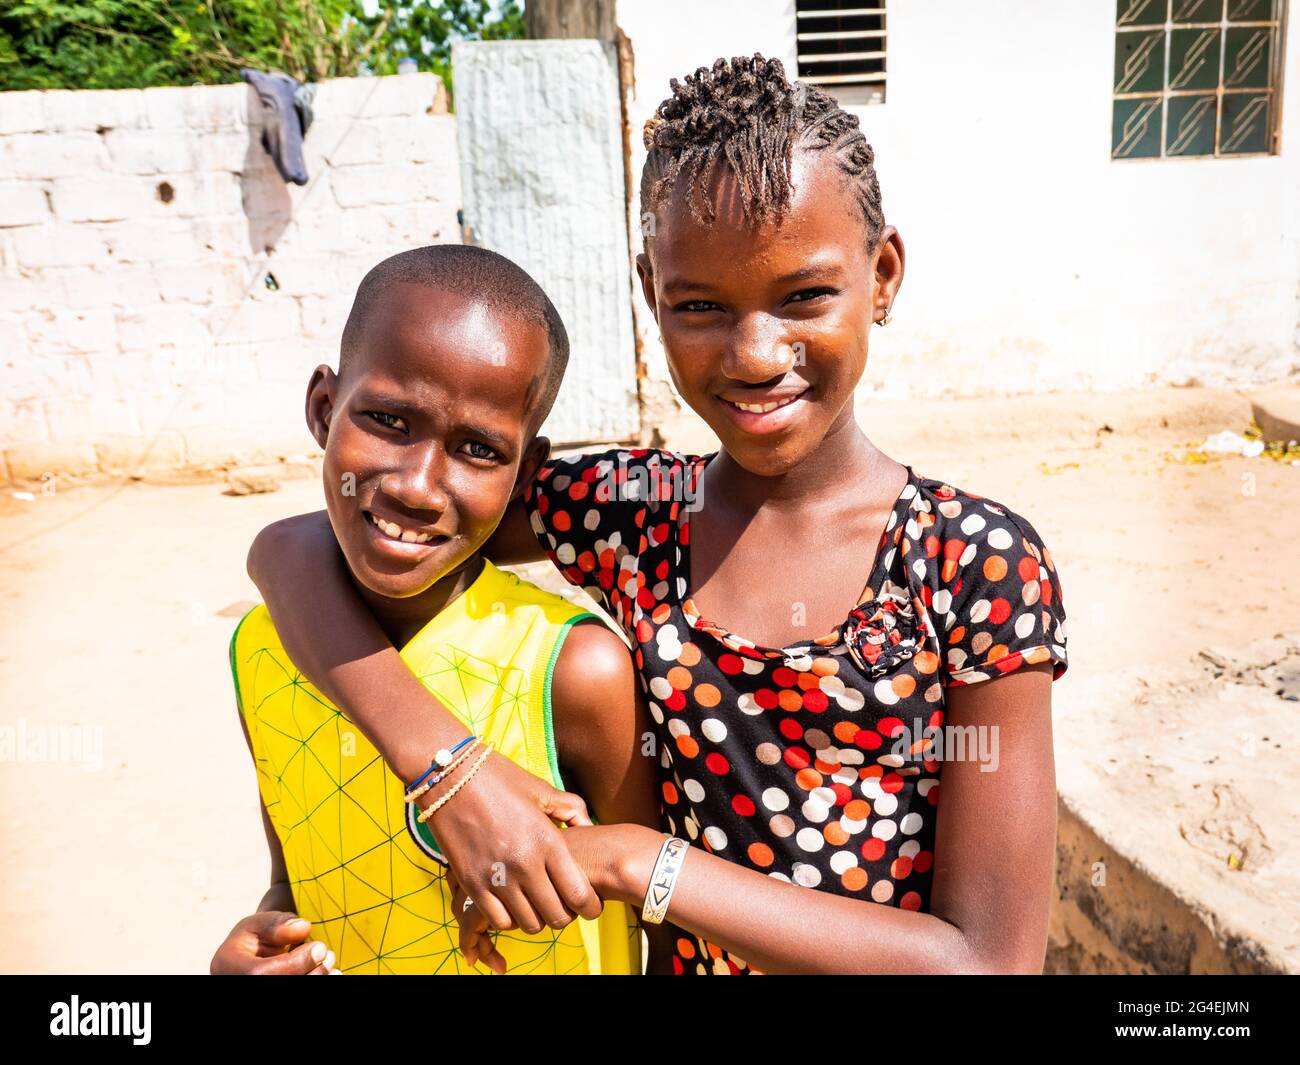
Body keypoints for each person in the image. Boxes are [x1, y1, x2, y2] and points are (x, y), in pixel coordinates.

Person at [247, 55, 1069, 975]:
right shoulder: (637, 512)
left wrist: (643, 861)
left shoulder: (973, 561)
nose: (755, 354)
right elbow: (297, 545)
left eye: (804, 296)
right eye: (701, 306)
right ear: (651, 291)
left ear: (882, 275)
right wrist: (450, 771)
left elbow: (990, 963)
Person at [212, 244, 669, 975]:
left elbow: (661, 929)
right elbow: (295, 874)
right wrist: (267, 939)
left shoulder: (575, 672)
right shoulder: (261, 648)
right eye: (389, 419)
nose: (418, 486)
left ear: (525, 473)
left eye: (478, 448)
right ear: (324, 409)